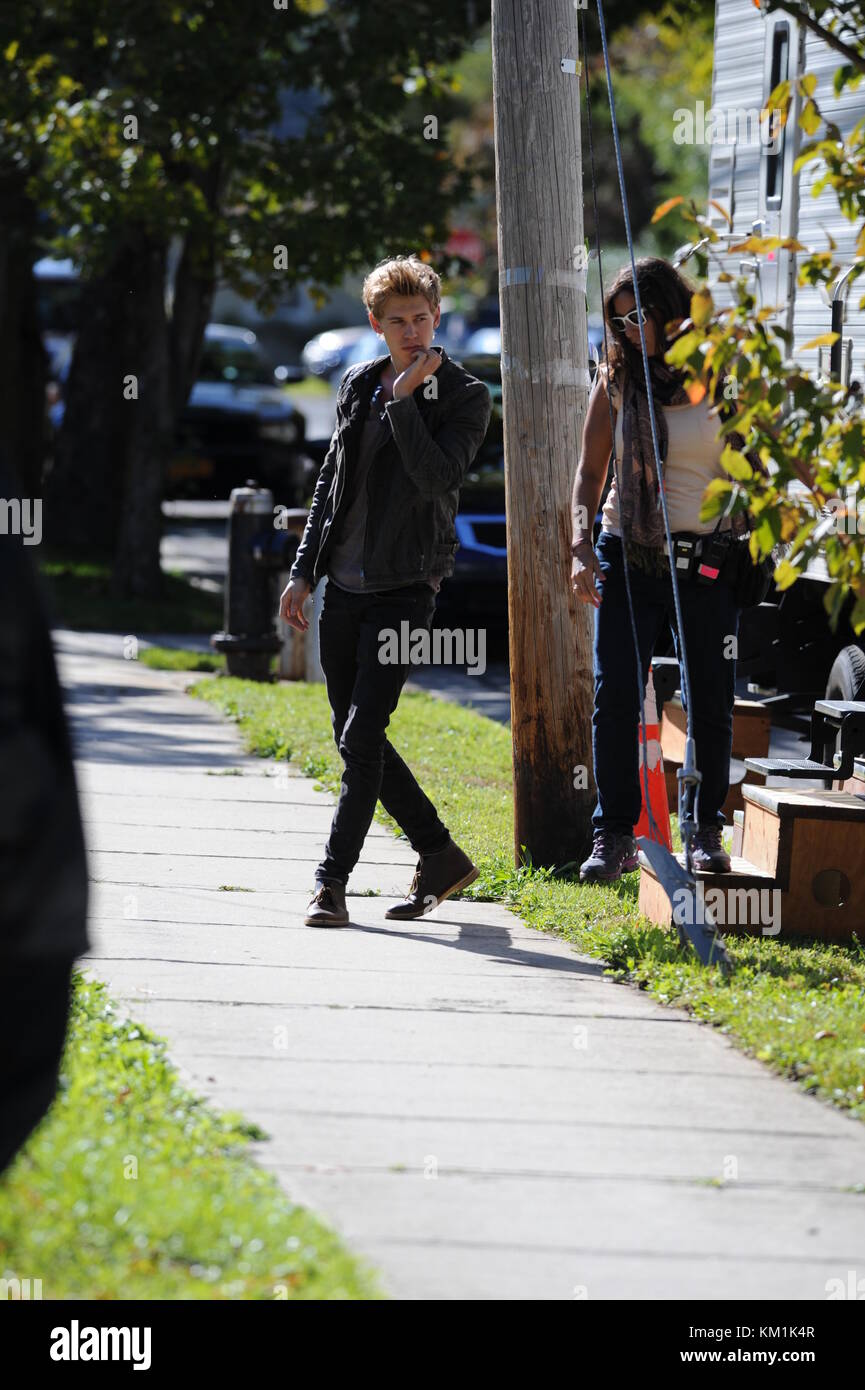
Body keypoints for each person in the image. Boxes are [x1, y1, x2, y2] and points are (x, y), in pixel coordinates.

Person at [279, 254, 492, 926]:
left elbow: (436, 478)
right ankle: (438, 852)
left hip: (406, 585)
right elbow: (329, 485)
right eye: (396, 320)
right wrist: (302, 570)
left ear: (437, 318)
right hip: (343, 583)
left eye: (421, 319)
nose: (410, 331)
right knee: (354, 738)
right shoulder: (355, 383)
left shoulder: (463, 395)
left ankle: (330, 884)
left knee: (363, 732)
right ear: (375, 323)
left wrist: (404, 404)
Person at [570, 256, 745, 883]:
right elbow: (590, 477)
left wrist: (831, 505)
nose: (630, 331)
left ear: (674, 311)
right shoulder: (616, 380)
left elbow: (772, 450)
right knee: (615, 692)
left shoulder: (723, 375)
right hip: (629, 551)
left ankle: (704, 829)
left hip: (708, 557)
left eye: (641, 316)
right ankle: (612, 834)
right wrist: (580, 546)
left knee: (711, 698)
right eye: (620, 322)